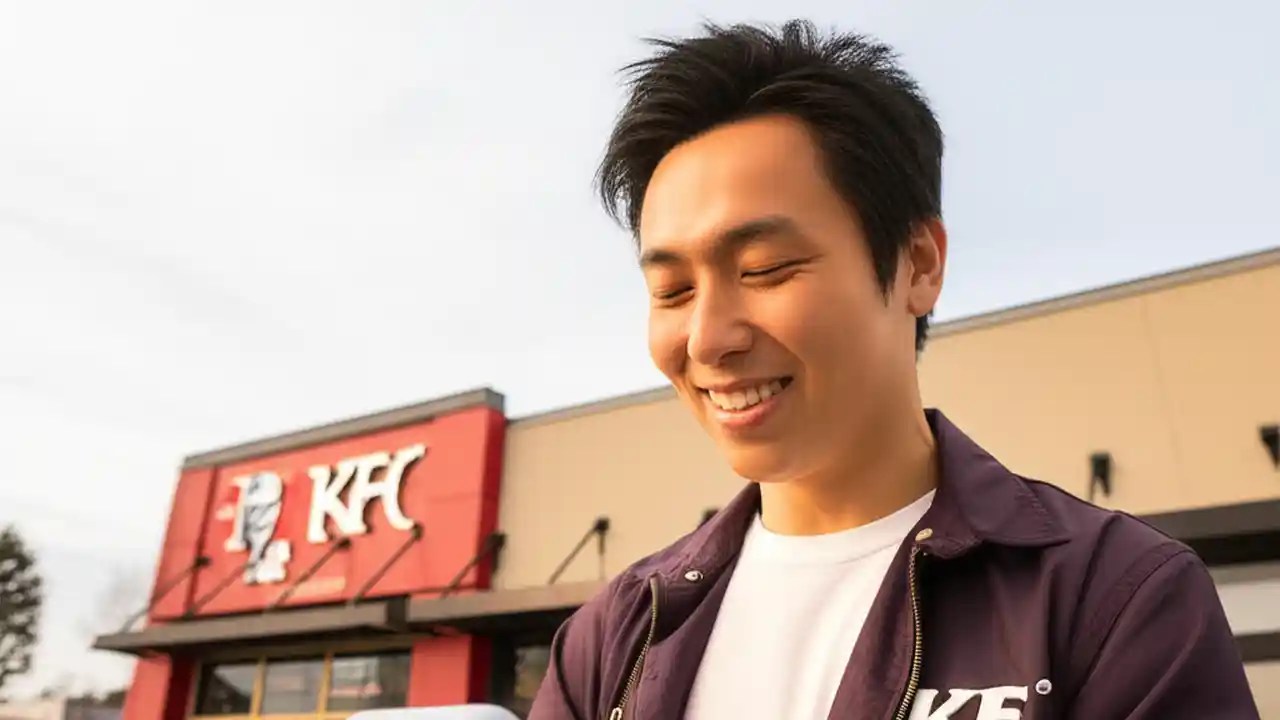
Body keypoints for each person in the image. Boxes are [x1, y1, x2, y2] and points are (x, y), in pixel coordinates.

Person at [529, 20, 1258, 720]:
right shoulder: (612, 638)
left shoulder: (1112, 597)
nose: (708, 339)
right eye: (673, 292)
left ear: (918, 263)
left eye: (766, 268)